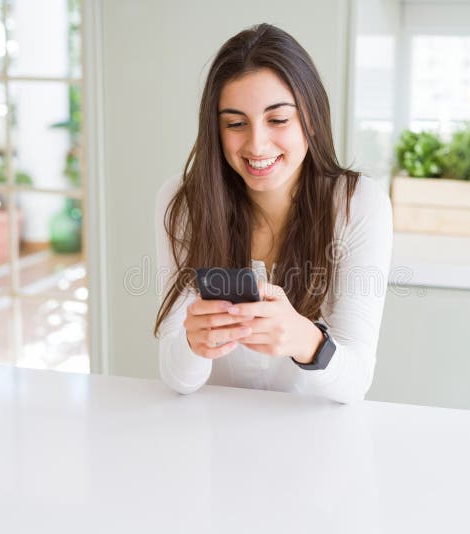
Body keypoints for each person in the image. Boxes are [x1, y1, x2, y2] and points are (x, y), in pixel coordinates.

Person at [154, 23, 392, 404]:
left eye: (278, 119)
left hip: (313, 441)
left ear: (310, 119)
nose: (256, 143)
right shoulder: (182, 203)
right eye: (235, 123)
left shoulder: (358, 204)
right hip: (215, 436)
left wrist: (305, 339)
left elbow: (355, 382)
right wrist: (192, 344)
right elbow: (177, 378)